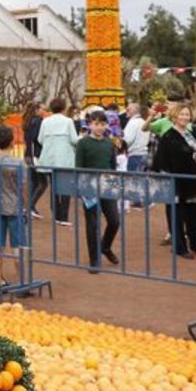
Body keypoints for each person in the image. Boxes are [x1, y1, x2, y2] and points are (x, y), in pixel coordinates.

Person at [151, 103, 196, 258]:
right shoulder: (168, 136)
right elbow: (163, 162)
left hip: (194, 181)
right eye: (181, 114)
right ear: (174, 116)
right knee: (177, 216)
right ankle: (180, 247)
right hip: (176, 183)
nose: (184, 117)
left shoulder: (191, 134)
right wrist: (195, 157)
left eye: (187, 114)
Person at [76, 111, 120, 271]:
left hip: (108, 186)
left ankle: (105, 247)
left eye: (102, 124)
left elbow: (113, 166)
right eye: (96, 124)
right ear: (89, 125)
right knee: (92, 224)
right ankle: (94, 260)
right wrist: (83, 188)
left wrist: (115, 187)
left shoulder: (109, 143)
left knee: (115, 221)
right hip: (89, 188)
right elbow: (79, 167)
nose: (100, 127)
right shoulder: (83, 143)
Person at [0, 126, 26, 289]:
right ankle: (21, 281)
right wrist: (26, 206)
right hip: (15, 207)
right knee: (17, 247)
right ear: (12, 142)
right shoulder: (18, 163)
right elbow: (23, 187)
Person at [37, 97, 79, 225]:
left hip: (49, 158)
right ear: (64, 108)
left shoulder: (45, 121)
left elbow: (40, 139)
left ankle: (56, 215)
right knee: (65, 187)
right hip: (65, 159)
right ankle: (64, 217)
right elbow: (74, 139)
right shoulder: (68, 121)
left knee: (53, 187)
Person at [22, 101, 47, 218]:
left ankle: (29, 206)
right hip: (35, 155)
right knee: (43, 183)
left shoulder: (27, 121)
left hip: (28, 154)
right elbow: (37, 139)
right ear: (36, 110)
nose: (44, 110)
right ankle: (29, 207)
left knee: (34, 182)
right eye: (42, 108)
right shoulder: (37, 122)